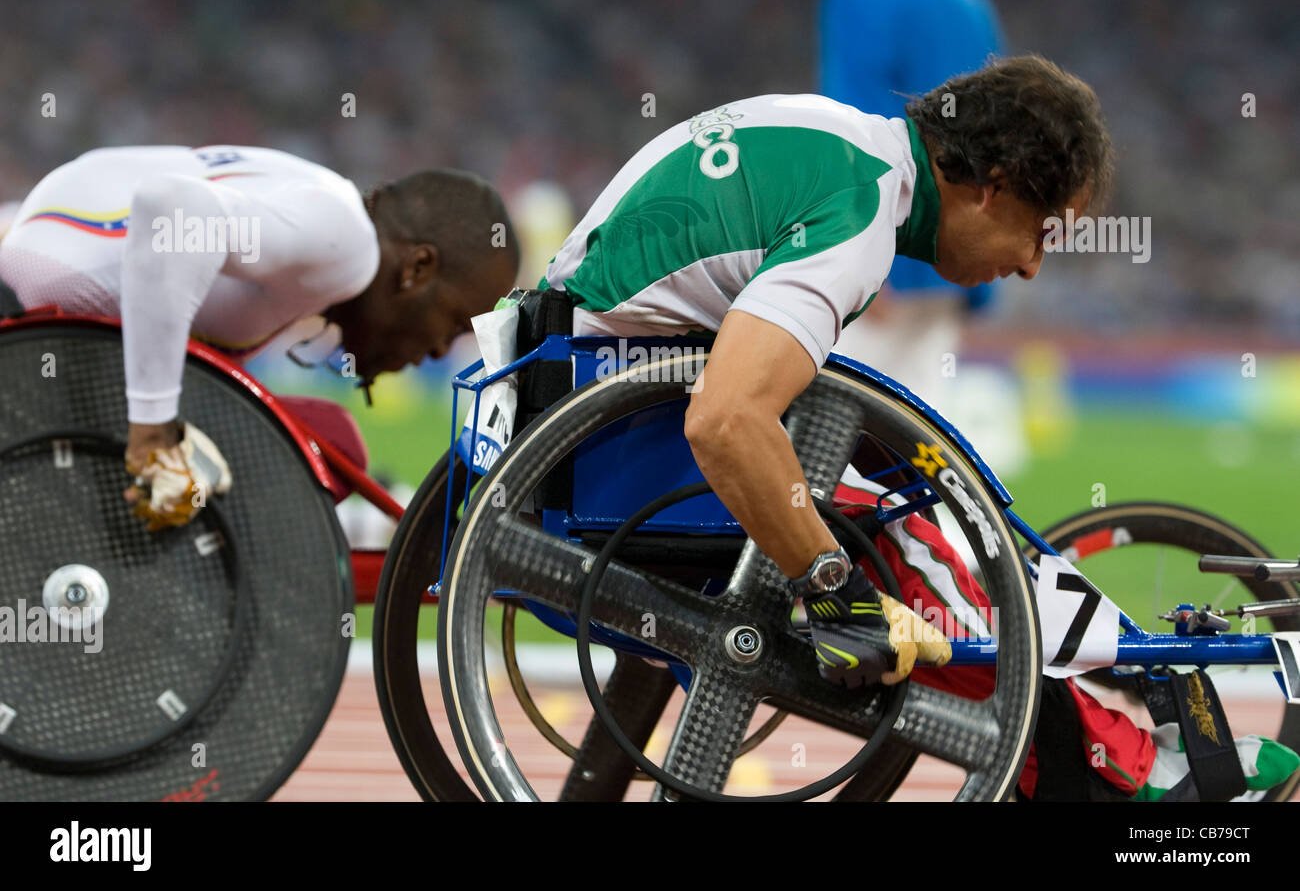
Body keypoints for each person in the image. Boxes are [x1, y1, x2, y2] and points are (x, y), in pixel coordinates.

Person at [541, 54, 1110, 689]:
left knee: (887, 479)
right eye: (1041, 235)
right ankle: (1093, 736)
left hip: (578, 393)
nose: (1031, 267)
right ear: (993, 187)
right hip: (613, 449)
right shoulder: (860, 211)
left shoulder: (842, 137)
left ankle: (1083, 671)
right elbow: (726, 421)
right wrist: (835, 589)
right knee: (904, 536)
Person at [0, 146, 518, 529]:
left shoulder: (315, 211)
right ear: (417, 269)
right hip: (35, 331)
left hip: (39, 325)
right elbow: (173, 209)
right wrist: (153, 434)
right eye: (454, 323)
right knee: (331, 440)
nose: (439, 350)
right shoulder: (347, 241)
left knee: (274, 436)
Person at [816, 0, 1003, 409]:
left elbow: (852, 130)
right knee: (920, 428)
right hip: (954, 259)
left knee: (827, 426)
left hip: (886, 255)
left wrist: (857, 254)